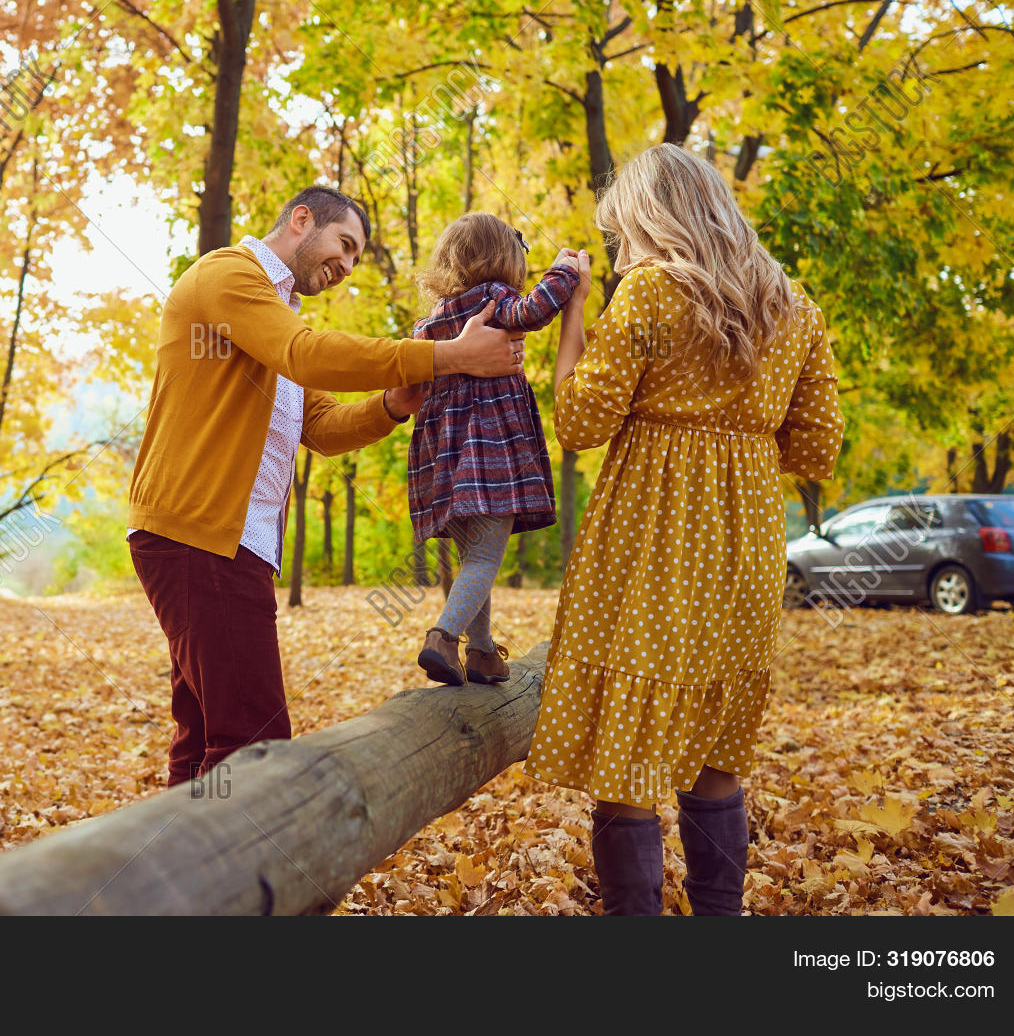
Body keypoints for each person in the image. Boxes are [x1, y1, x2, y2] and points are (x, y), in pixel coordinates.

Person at [523, 144, 844, 915]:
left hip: (654, 536)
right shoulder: (794, 307)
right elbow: (817, 448)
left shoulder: (646, 294)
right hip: (747, 544)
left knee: (628, 759)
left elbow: (579, 423)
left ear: (649, 217)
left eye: (621, 230)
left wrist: (576, 319)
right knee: (716, 753)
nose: (620, 247)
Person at [128, 185, 526, 787]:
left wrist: (393, 404)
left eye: (355, 259)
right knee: (255, 747)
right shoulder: (228, 275)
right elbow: (306, 356)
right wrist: (444, 355)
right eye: (343, 245)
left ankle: (179, 874)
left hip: (236, 543)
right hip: (200, 537)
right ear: (301, 219)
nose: (344, 267)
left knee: (210, 735)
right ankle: (241, 877)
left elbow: (321, 426)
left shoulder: (274, 319)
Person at [407, 213, 590, 686]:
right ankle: (443, 636)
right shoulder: (494, 299)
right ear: (502, 258)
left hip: (444, 462)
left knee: (477, 556)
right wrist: (566, 271)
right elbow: (534, 310)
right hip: (490, 457)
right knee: (488, 556)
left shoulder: (433, 321)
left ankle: (483, 653)